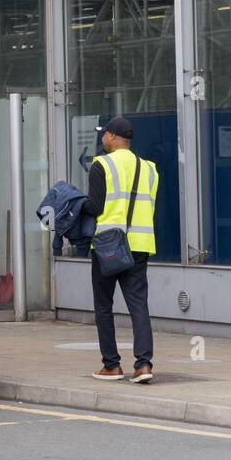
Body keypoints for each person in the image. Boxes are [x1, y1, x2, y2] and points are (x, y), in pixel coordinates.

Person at [82, 116, 159, 384]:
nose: (101, 138)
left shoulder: (101, 164)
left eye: (104, 134)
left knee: (104, 306)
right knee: (138, 305)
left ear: (113, 137)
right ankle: (144, 364)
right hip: (139, 246)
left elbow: (94, 207)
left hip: (108, 247)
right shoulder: (149, 168)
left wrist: (78, 207)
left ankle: (112, 366)